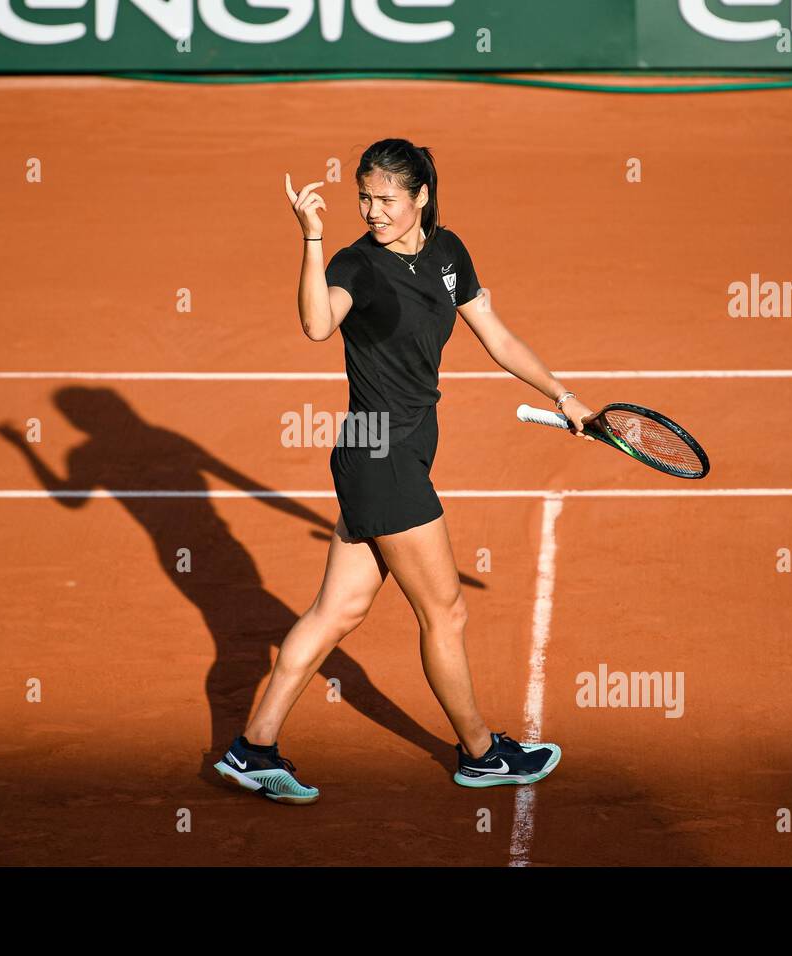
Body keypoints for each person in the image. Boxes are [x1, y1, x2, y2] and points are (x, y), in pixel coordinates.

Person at [213, 139, 596, 804]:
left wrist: (562, 396)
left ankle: (254, 748)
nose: (372, 210)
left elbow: (496, 336)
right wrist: (310, 239)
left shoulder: (448, 253)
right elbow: (314, 325)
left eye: (385, 198)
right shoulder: (353, 264)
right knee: (444, 612)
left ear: (420, 197)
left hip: (402, 451)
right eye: (364, 197)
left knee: (339, 609)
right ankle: (479, 753)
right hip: (379, 455)